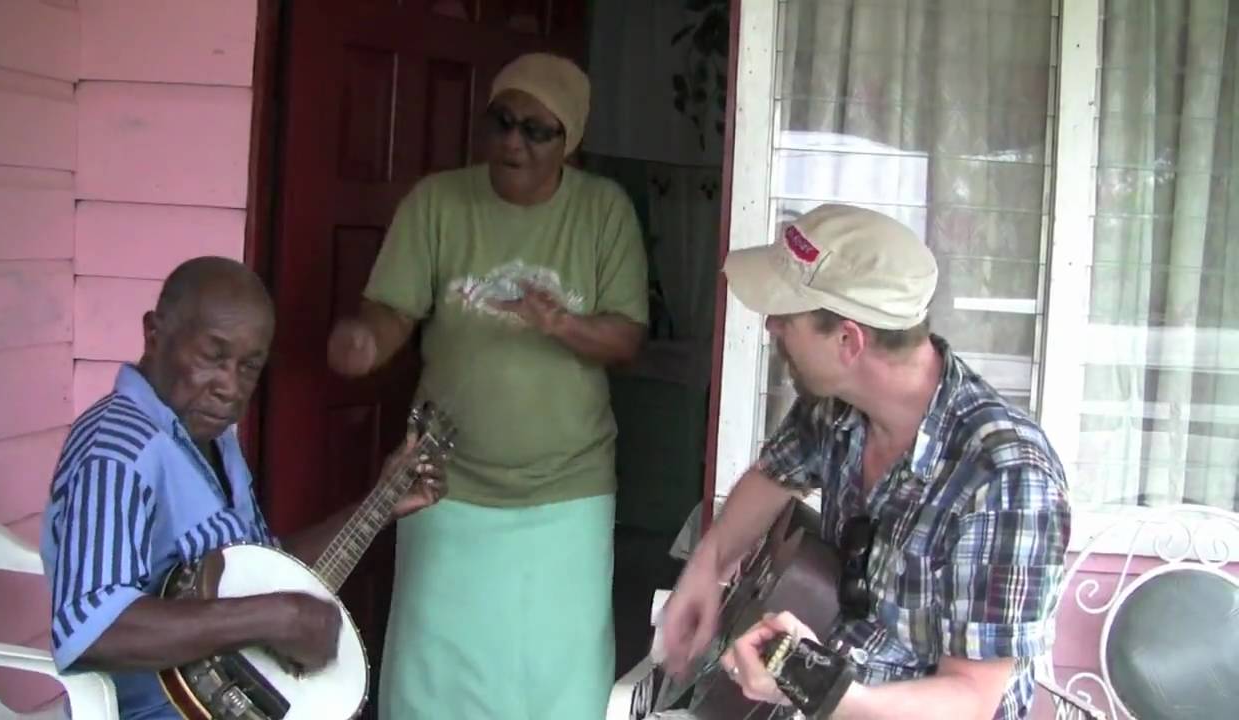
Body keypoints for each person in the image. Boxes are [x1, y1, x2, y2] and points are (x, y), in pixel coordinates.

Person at [326, 52, 648, 718]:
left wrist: (559, 323)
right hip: (444, 485)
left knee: (555, 673)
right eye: (502, 121)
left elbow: (626, 338)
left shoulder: (602, 211)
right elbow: (393, 309)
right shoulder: (438, 203)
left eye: (537, 129)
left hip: (566, 490)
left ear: (571, 141)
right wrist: (367, 340)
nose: (513, 141)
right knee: (435, 674)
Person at [660, 204, 1071, 719]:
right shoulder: (834, 402)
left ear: (848, 341)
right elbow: (774, 476)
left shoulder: (1007, 479)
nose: (770, 325)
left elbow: (969, 699)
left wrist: (811, 687)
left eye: (786, 316)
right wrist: (707, 570)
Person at [40, 257, 446, 720]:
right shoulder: (117, 450)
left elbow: (264, 569)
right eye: (213, 358)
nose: (230, 388)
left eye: (249, 367)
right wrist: (273, 617)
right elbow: (94, 631)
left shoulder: (213, 439)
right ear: (154, 334)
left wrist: (382, 501)